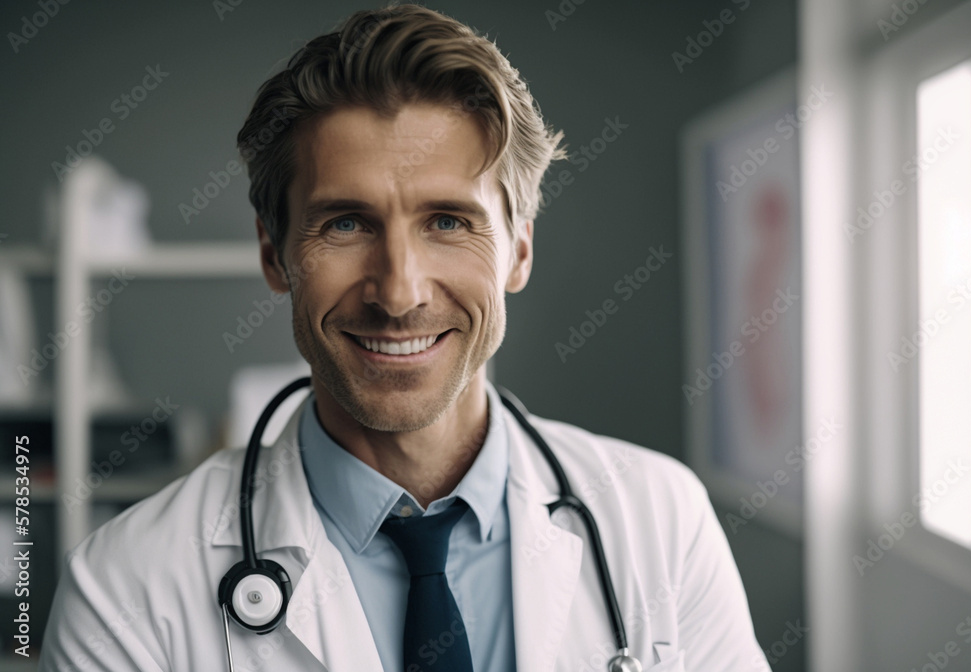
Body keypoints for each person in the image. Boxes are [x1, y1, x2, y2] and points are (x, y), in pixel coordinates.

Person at [38, 4, 769, 671]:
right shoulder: (125, 590)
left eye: (448, 222)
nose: (399, 292)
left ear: (519, 249)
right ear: (273, 253)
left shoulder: (659, 521)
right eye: (346, 224)